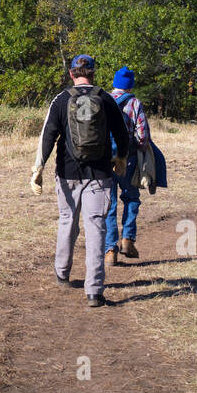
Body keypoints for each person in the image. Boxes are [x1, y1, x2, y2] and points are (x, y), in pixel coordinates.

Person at [30, 54, 129, 308]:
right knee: (96, 227)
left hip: (67, 173)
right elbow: (122, 132)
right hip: (99, 174)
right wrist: (121, 157)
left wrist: (38, 168)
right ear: (93, 73)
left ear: (72, 74)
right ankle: (94, 291)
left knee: (67, 221)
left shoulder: (61, 100)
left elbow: (48, 135)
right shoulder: (106, 99)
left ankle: (62, 273)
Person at [106, 66, 150, 264]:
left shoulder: (104, 99)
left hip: (105, 159)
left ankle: (110, 250)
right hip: (128, 158)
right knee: (131, 198)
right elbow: (142, 136)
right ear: (130, 85)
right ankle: (127, 239)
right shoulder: (134, 103)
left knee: (109, 204)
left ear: (115, 83)